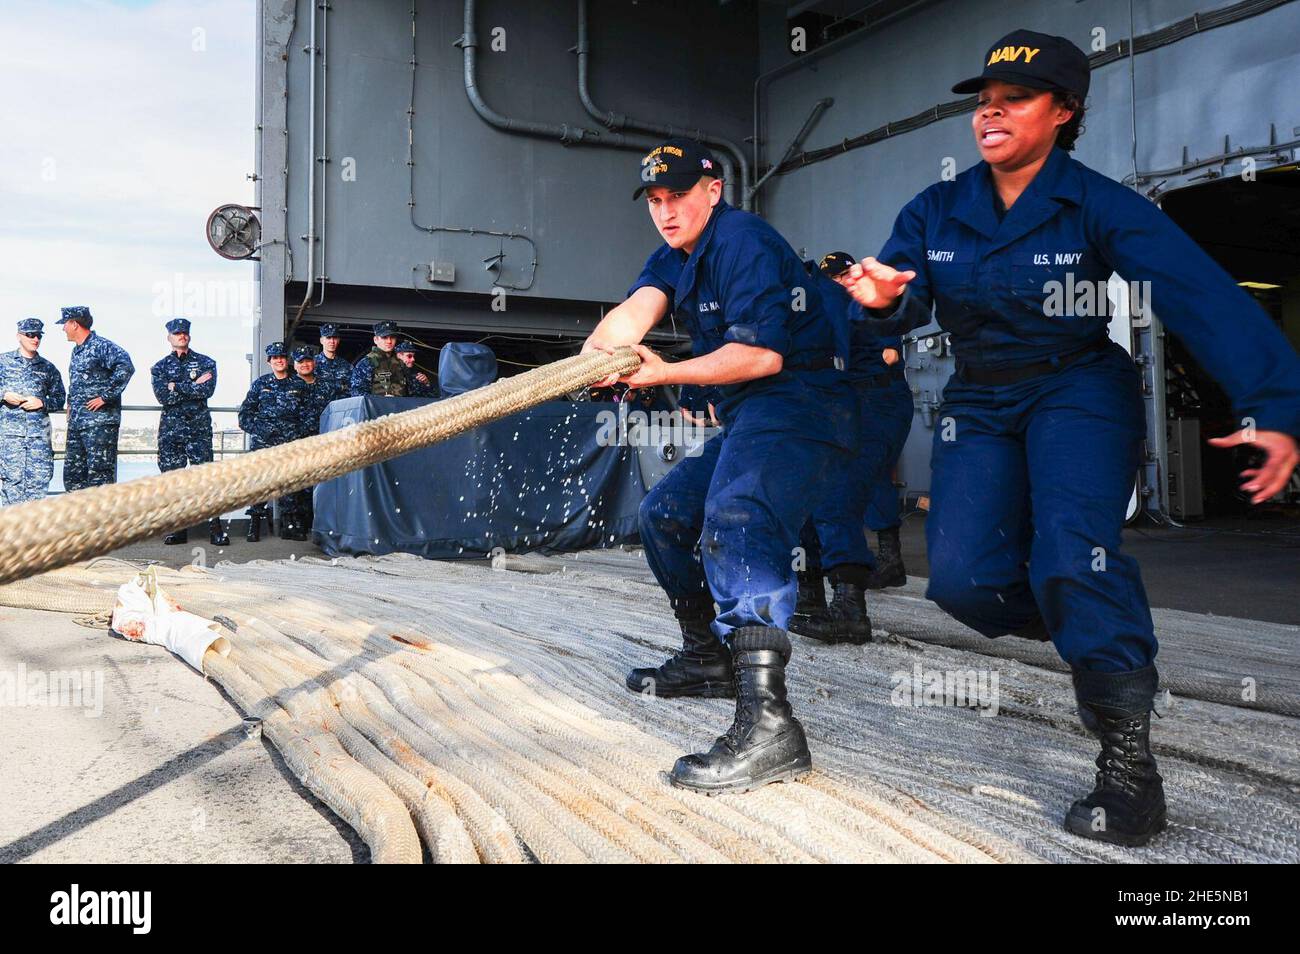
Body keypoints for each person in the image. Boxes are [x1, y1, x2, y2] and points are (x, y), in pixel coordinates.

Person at [842, 30, 1300, 845]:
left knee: (1071, 559)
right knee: (961, 583)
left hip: (1078, 389)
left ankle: (1129, 767)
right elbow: (901, 299)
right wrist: (879, 299)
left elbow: (1198, 294)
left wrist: (1272, 408)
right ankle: (1095, 628)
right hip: (979, 397)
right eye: (983, 102)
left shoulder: (1094, 202)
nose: (990, 113)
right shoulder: (936, 208)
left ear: (1063, 112)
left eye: (1013, 100)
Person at [582, 138, 856, 794]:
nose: (665, 210)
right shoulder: (675, 253)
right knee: (665, 515)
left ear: (713, 190)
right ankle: (707, 659)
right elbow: (633, 315)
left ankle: (770, 727)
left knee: (736, 517)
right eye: (654, 200)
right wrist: (596, 356)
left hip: (805, 404)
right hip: (753, 412)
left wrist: (665, 372)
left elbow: (762, 357)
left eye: (677, 195)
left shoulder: (742, 243)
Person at [791, 252, 914, 643]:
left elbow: (862, 356)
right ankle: (810, 594)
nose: (843, 281)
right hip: (851, 403)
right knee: (812, 491)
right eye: (837, 276)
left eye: (847, 274)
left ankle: (850, 606)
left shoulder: (852, 301)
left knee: (837, 493)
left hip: (877, 403)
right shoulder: (823, 302)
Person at [150, 318, 228, 546]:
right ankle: (178, 528)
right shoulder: (160, 367)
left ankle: (215, 527)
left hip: (198, 429)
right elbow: (163, 396)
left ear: (189, 336)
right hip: (171, 432)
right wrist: (192, 387)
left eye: (184, 332)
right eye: (176, 333)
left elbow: (207, 390)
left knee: (207, 478)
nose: (181, 336)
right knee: (173, 480)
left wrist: (176, 385)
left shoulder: (206, 362)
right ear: (169, 338)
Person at [59, 306, 134, 491]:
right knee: (73, 474)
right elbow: (76, 382)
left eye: (65, 324)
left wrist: (105, 397)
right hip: (78, 423)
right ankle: (78, 518)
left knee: (100, 476)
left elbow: (126, 367)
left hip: (99, 423)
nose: (63, 329)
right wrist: (70, 403)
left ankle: (102, 520)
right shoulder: (77, 351)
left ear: (74, 324)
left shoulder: (102, 346)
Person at [239, 342, 308, 541]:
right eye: (275, 357)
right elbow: (245, 414)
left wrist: (296, 435)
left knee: (290, 483)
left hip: (290, 442)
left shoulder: (299, 385)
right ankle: (254, 525)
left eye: (282, 357)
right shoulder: (261, 384)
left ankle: (289, 526)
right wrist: (261, 431)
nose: (279, 360)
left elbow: (308, 415)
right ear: (269, 361)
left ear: (287, 360)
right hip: (263, 442)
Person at [0, 319, 66, 505]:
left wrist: (42, 402)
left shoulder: (48, 368)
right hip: (10, 442)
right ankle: (11, 534)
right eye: (30, 335)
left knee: (38, 494)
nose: (35, 338)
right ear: (19, 336)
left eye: (38, 335)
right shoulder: (3, 363)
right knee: (11, 493)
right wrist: (4, 395)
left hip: (39, 442)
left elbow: (60, 398)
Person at [350, 321, 407, 396]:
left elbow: (410, 391)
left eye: (392, 337)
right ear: (376, 340)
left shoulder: (400, 363)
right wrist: (380, 401)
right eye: (384, 337)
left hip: (403, 406)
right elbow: (357, 393)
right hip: (378, 407)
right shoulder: (367, 362)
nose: (389, 341)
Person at [314, 323, 351, 394]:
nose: (332, 341)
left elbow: (351, 387)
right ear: (321, 340)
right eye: (328, 338)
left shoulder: (346, 366)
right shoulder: (312, 364)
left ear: (338, 340)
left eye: (335, 338)